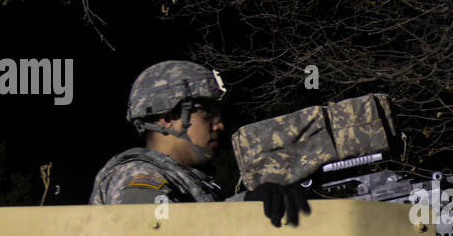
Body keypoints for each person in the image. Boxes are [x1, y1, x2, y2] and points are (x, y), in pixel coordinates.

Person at [90, 60, 308, 226]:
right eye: (208, 114)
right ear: (167, 117)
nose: (219, 125)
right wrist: (244, 206)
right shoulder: (137, 175)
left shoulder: (186, 179)